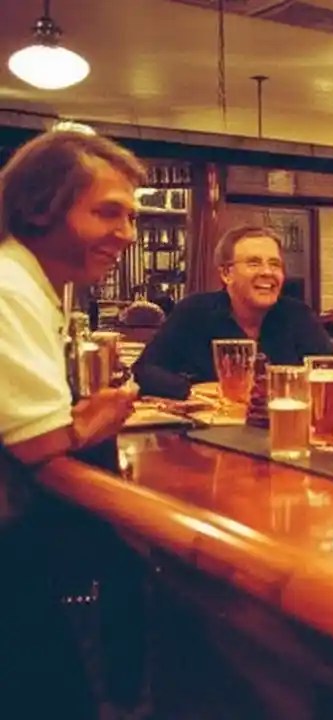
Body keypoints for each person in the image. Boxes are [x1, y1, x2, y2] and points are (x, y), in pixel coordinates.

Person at [0, 129, 147, 718]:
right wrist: (101, 415)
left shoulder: (33, 285)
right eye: (107, 213)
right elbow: (39, 443)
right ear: (40, 208)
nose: (126, 235)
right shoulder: (10, 288)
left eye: (131, 217)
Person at [132, 225, 333, 399]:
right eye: (254, 263)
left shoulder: (297, 315)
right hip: (210, 432)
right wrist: (192, 390)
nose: (267, 272)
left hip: (280, 429)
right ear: (226, 274)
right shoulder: (195, 313)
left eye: (275, 264)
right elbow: (145, 371)